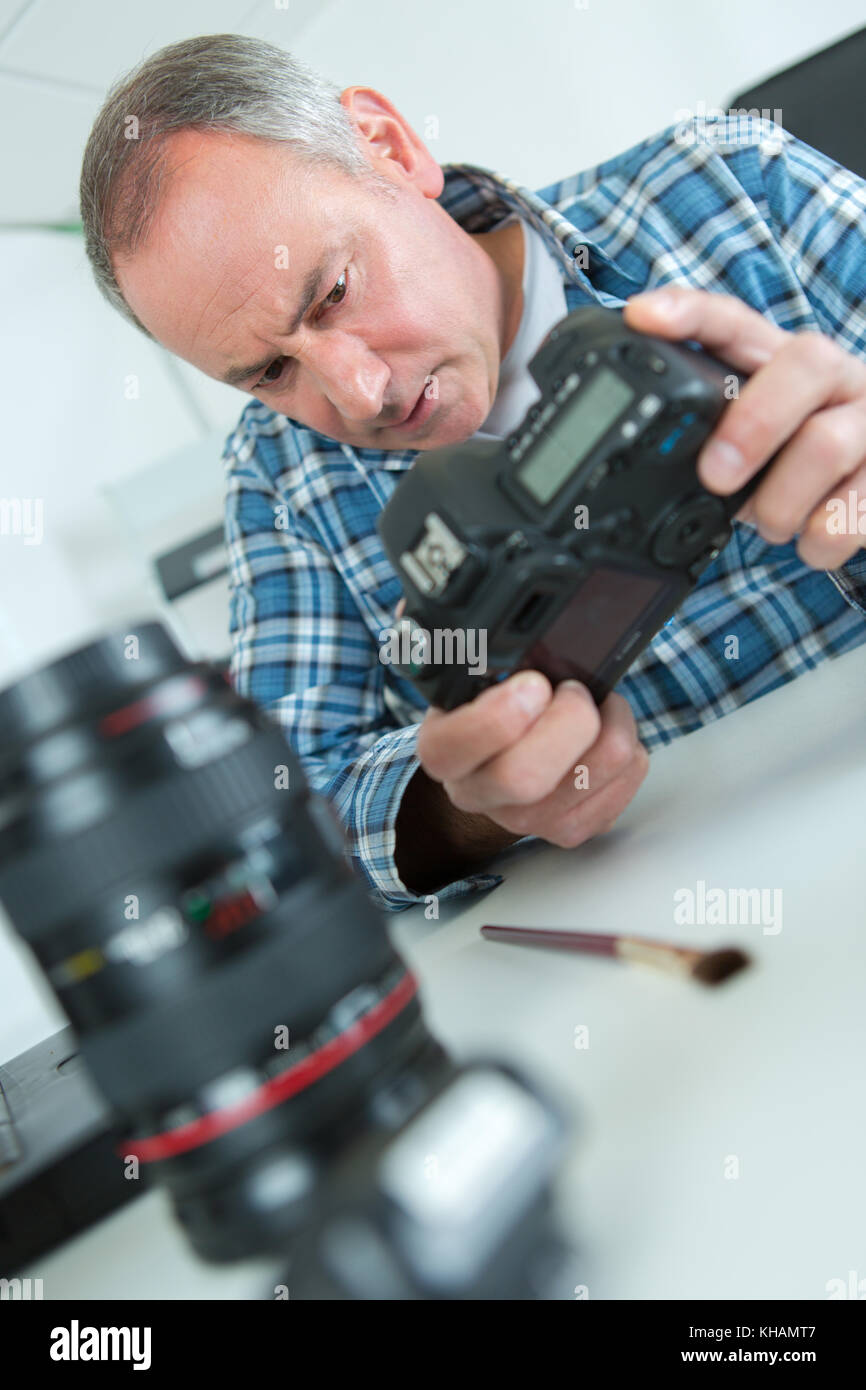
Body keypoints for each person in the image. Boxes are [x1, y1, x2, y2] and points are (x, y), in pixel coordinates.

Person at [79, 34, 866, 911]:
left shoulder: (732, 189)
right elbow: (284, 821)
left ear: (391, 148)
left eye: (334, 292)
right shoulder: (280, 479)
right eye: (270, 373)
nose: (361, 391)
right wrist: (462, 810)